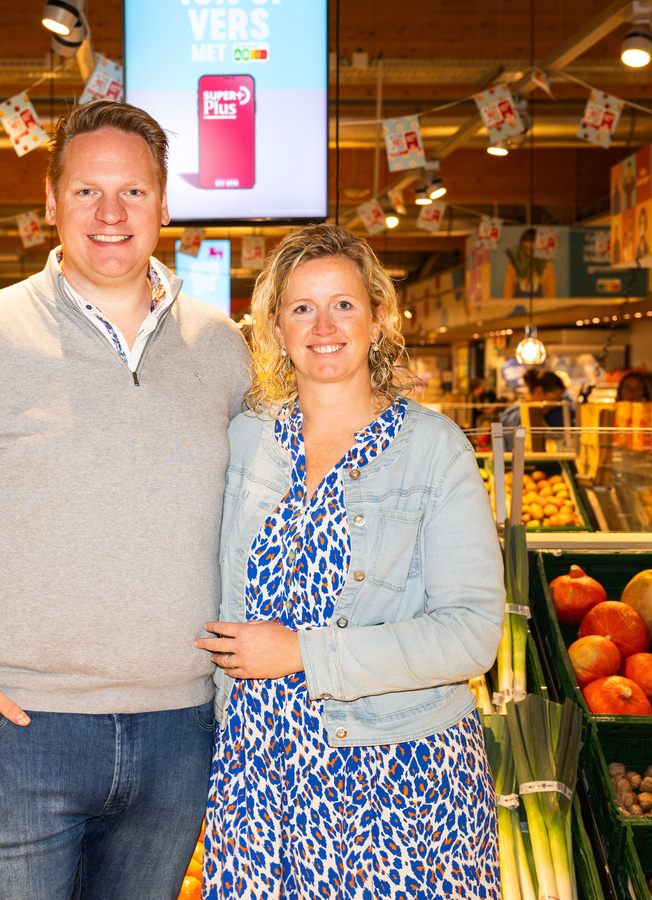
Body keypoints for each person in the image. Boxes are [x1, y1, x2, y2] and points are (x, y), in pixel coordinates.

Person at [0, 100, 251, 900]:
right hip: (21, 732)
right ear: (50, 205)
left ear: (165, 207)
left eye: (132, 192)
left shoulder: (221, 348)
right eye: (87, 192)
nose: (110, 214)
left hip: (181, 729)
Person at [196, 224, 503, 897]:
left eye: (344, 304)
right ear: (275, 327)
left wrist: (304, 652)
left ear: (378, 319)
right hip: (260, 772)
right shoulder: (244, 440)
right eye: (301, 307)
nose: (323, 325)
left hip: (398, 775)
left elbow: (472, 633)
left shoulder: (433, 449)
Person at [502, 227, 556, 300]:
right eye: (525, 249)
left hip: (541, 310)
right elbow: (507, 296)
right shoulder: (512, 266)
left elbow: (551, 296)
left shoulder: (547, 266)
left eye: (532, 249)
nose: (528, 254)